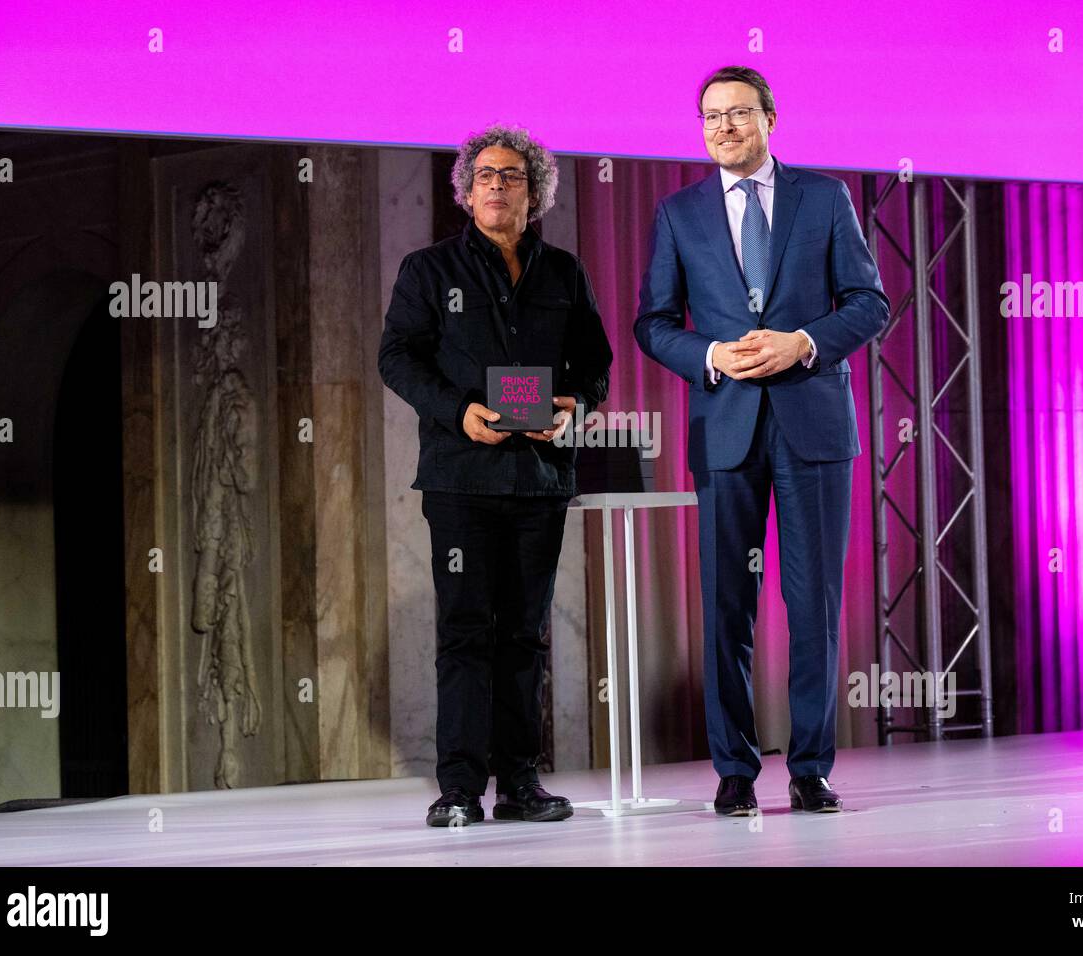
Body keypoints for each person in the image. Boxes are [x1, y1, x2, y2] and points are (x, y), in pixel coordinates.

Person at [634, 66, 889, 815]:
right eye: (711, 116)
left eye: (739, 113)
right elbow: (654, 323)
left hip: (811, 426)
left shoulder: (825, 196)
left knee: (813, 604)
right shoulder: (678, 212)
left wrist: (803, 342)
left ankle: (810, 768)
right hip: (726, 427)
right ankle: (735, 773)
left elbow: (869, 302)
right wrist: (712, 357)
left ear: (771, 118)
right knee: (726, 607)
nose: (724, 127)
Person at [379, 124, 612, 826]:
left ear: (534, 191)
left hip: (540, 478)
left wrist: (575, 403)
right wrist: (460, 412)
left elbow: (594, 366)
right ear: (466, 189)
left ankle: (520, 784)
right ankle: (457, 791)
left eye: (512, 175)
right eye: (485, 174)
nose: (497, 185)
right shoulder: (429, 271)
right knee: (465, 630)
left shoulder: (564, 273)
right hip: (461, 478)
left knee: (524, 634)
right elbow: (396, 357)